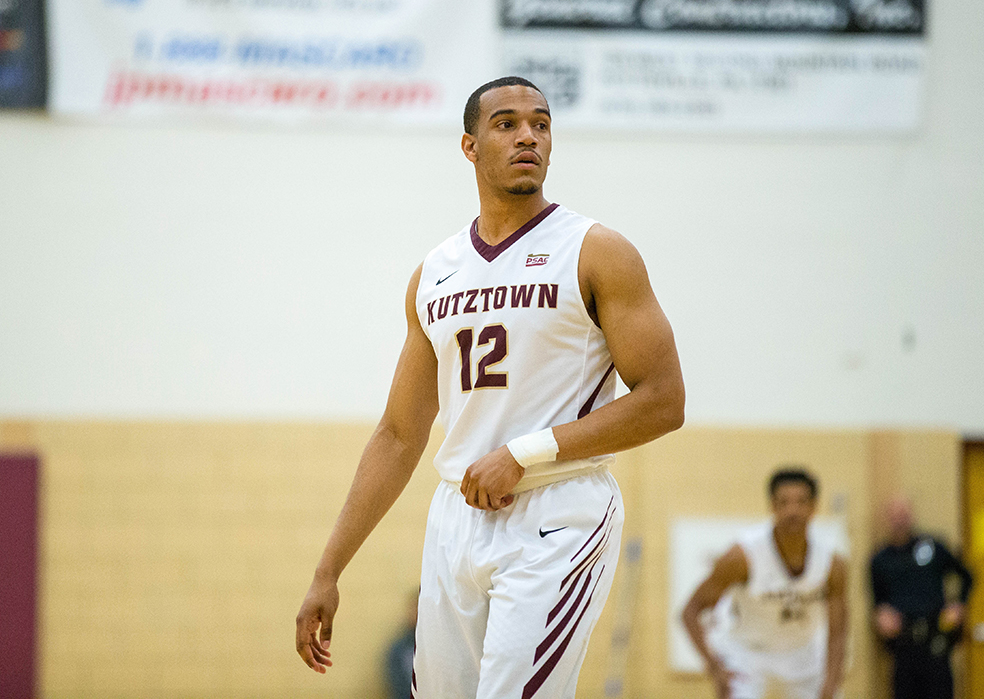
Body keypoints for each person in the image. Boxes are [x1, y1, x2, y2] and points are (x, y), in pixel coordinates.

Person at [294, 76, 685, 698]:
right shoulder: (435, 273)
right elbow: (399, 434)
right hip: (456, 515)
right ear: (470, 147)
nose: (528, 134)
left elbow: (664, 401)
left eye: (541, 123)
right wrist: (327, 570)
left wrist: (524, 455)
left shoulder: (596, 251)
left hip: (559, 505)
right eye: (506, 123)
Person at [681, 469, 849, 699]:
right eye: (784, 502)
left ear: (813, 506)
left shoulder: (831, 562)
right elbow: (690, 611)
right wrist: (714, 667)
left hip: (803, 654)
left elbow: (838, 631)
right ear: (773, 506)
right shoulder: (742, 556)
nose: (793, 511)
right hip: (748, 654)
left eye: (801, 502)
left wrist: (831, 683)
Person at [870, 496, 973, 699]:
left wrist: (959, 605)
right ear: (886, 519)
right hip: (903, 645)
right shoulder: (880, 559)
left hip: (936, 641)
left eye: (903, 515)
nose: (899, 520)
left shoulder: (932, 547)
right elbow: (878, 601)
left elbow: (966, 576)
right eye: (894, 516)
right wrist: (881, 615)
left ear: (911, 517)